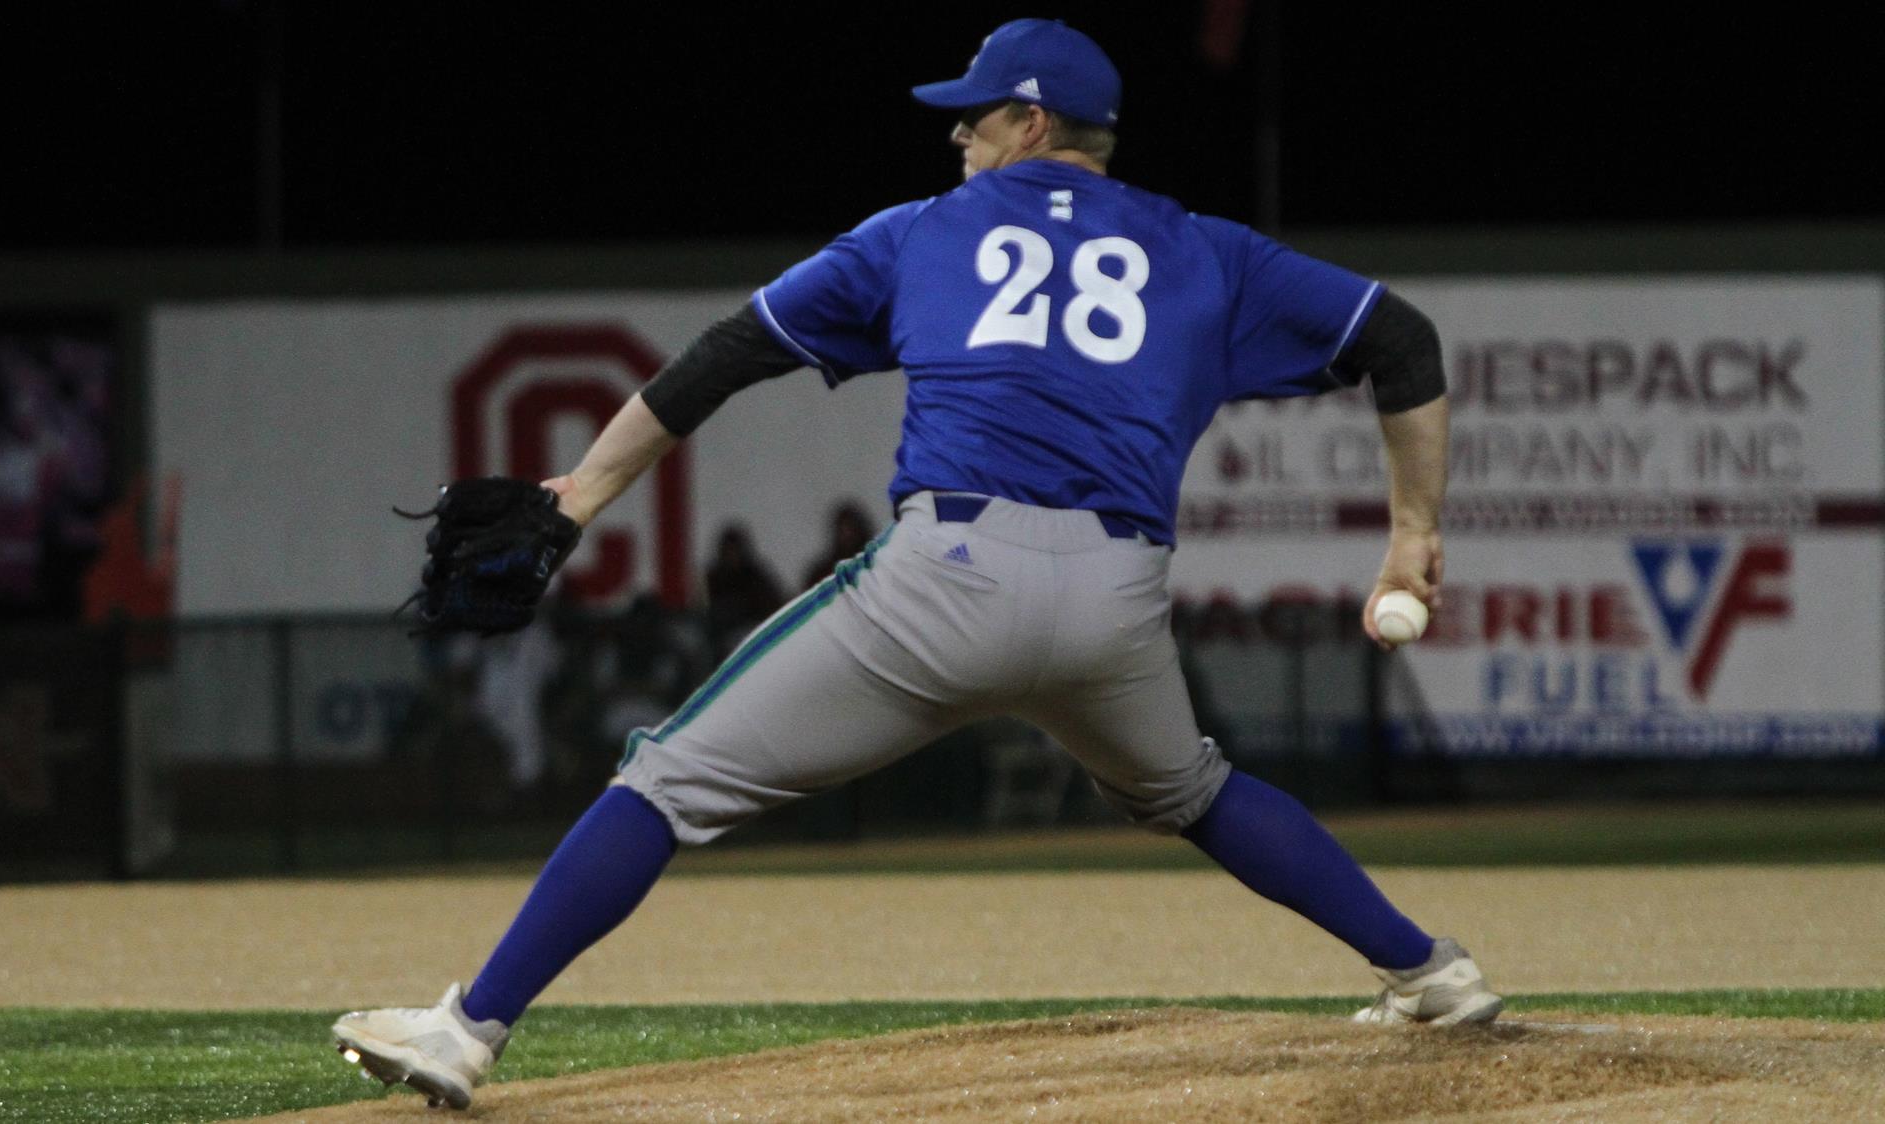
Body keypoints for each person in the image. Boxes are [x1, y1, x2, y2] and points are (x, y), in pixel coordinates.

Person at [332, 19, 1499, 1110]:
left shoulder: (917, 232)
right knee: (1188, 790)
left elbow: (724, 357)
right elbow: (1399, 340)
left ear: (1031, 127)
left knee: (664, 779)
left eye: (976, 115)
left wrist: (577, 494)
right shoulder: (1204, 251)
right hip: (1116, 601)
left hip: (948, 579)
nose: (957, 134)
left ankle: (467, 1028)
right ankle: (1431, 970)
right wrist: (1410, 534)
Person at [703, 522, 787, 659]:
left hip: (751, 631)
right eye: (727, 550)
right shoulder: (714, 577)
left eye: (734, 550)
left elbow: (771, 607)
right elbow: (706, 609)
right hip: (718, 636)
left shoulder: (756, 576)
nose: (731, 555)